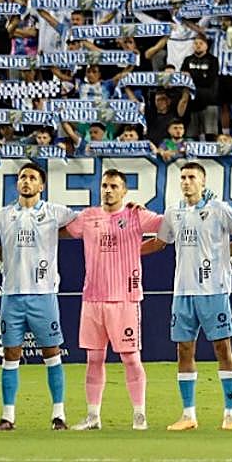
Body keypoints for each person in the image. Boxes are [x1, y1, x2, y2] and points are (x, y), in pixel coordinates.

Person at [146, 160, 232, 431]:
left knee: (222, 349)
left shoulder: (219, 209)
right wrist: (129, 251)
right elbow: (160, 242)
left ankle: (230, 413)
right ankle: (189, 415)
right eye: (183, 177)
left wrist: (224, 254)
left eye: (192, 177)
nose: (186, 181)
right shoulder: (173, 211)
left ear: (203, 182)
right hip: (183, 291)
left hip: (213, 290)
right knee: (184, 350)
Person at [0, 159, 79, 430]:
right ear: (17, 183)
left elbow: (83, 222)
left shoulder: (53, 212)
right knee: (10, 354)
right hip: (12, 296)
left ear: (42, 185)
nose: (26, 181)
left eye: (32, 178)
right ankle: (7, 417)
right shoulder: (2, 215)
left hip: (43, 294)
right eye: (23, 177)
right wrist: (4, 256)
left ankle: (58, 415)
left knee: (52, 352)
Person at [68, 168, 163, 430]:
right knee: (94, 359)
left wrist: (146, 212)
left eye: (113, 186)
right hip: (92, 299)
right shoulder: (88, 217)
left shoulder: (136, 215)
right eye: (105, 185)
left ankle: (139, 414)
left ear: (124, 191)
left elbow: (167, 226)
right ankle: (93, 416)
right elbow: (60, 229)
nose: (108, 190)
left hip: (125, 299)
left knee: (131, 359)